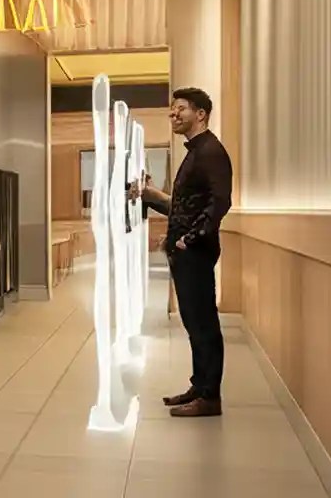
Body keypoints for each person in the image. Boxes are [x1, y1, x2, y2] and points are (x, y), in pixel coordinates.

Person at [130, 87, 233, 418]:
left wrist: (191, 237)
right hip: (186, 252)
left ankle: (209, 396)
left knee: (203, 323)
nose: (173, 114)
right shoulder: (195, 151)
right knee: (193, 321)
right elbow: (187, 204)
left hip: (196, 252)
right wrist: (156, 201)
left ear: (200, 114)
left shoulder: (210, 152)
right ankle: (198, 385)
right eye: (172, 110)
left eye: (181, 109)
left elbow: (220, 202)